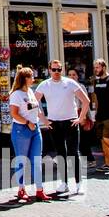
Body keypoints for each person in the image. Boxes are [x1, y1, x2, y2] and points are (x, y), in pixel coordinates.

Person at [34, 59, 90, 195]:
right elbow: (34, 103)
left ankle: (79, 183)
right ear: (49, 70)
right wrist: (44, 120)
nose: (57, 72)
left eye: (59, 69)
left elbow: (86, 101)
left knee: (73, 153)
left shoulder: (70, 83)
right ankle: (64, 183)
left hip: (70, 121)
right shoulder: (44, 85)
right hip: (54, 122)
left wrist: (80, 118)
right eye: (54, 70)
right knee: (60, 153)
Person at [8, 67, 47, 202]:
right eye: (30, 77)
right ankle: (21, 188)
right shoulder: (16, 94)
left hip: (35, 129)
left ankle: (39, 190)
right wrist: (26, 123)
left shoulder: (30, 91)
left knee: (37, 159)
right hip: (21, 129)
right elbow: (13, 113)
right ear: (24, 79)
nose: (33, 79)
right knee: (21, 160)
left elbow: (37, 109)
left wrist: (44, 121)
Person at [90, 59, 109, 173]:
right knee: (102, 140)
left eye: (98, 67)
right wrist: (95, 111)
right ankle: (108, 164)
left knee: (107, 137)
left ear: (103, 67)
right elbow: (96, 98)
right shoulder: (97, 81)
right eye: (95, 67)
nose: (96, 70)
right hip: (100, 114)